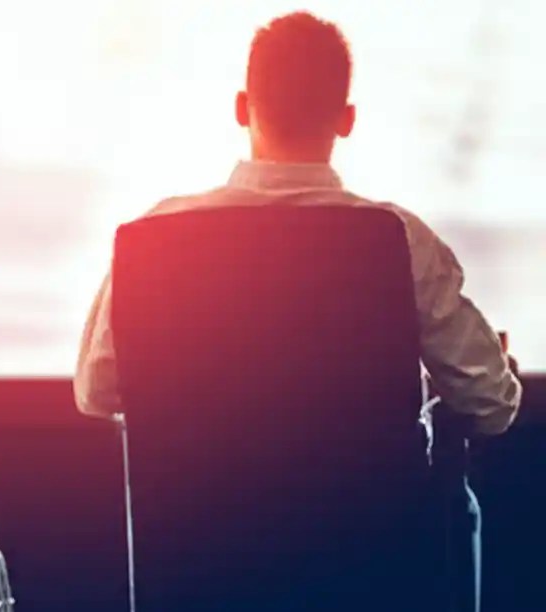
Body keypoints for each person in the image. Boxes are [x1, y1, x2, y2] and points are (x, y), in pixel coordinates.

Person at [75, 11, 522, 437]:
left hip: (197, 518)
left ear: (241, 108)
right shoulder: (403, 242)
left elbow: (97, 391)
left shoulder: (154, 239)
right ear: (347, 120)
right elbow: (491, 402)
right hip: (365, 519)